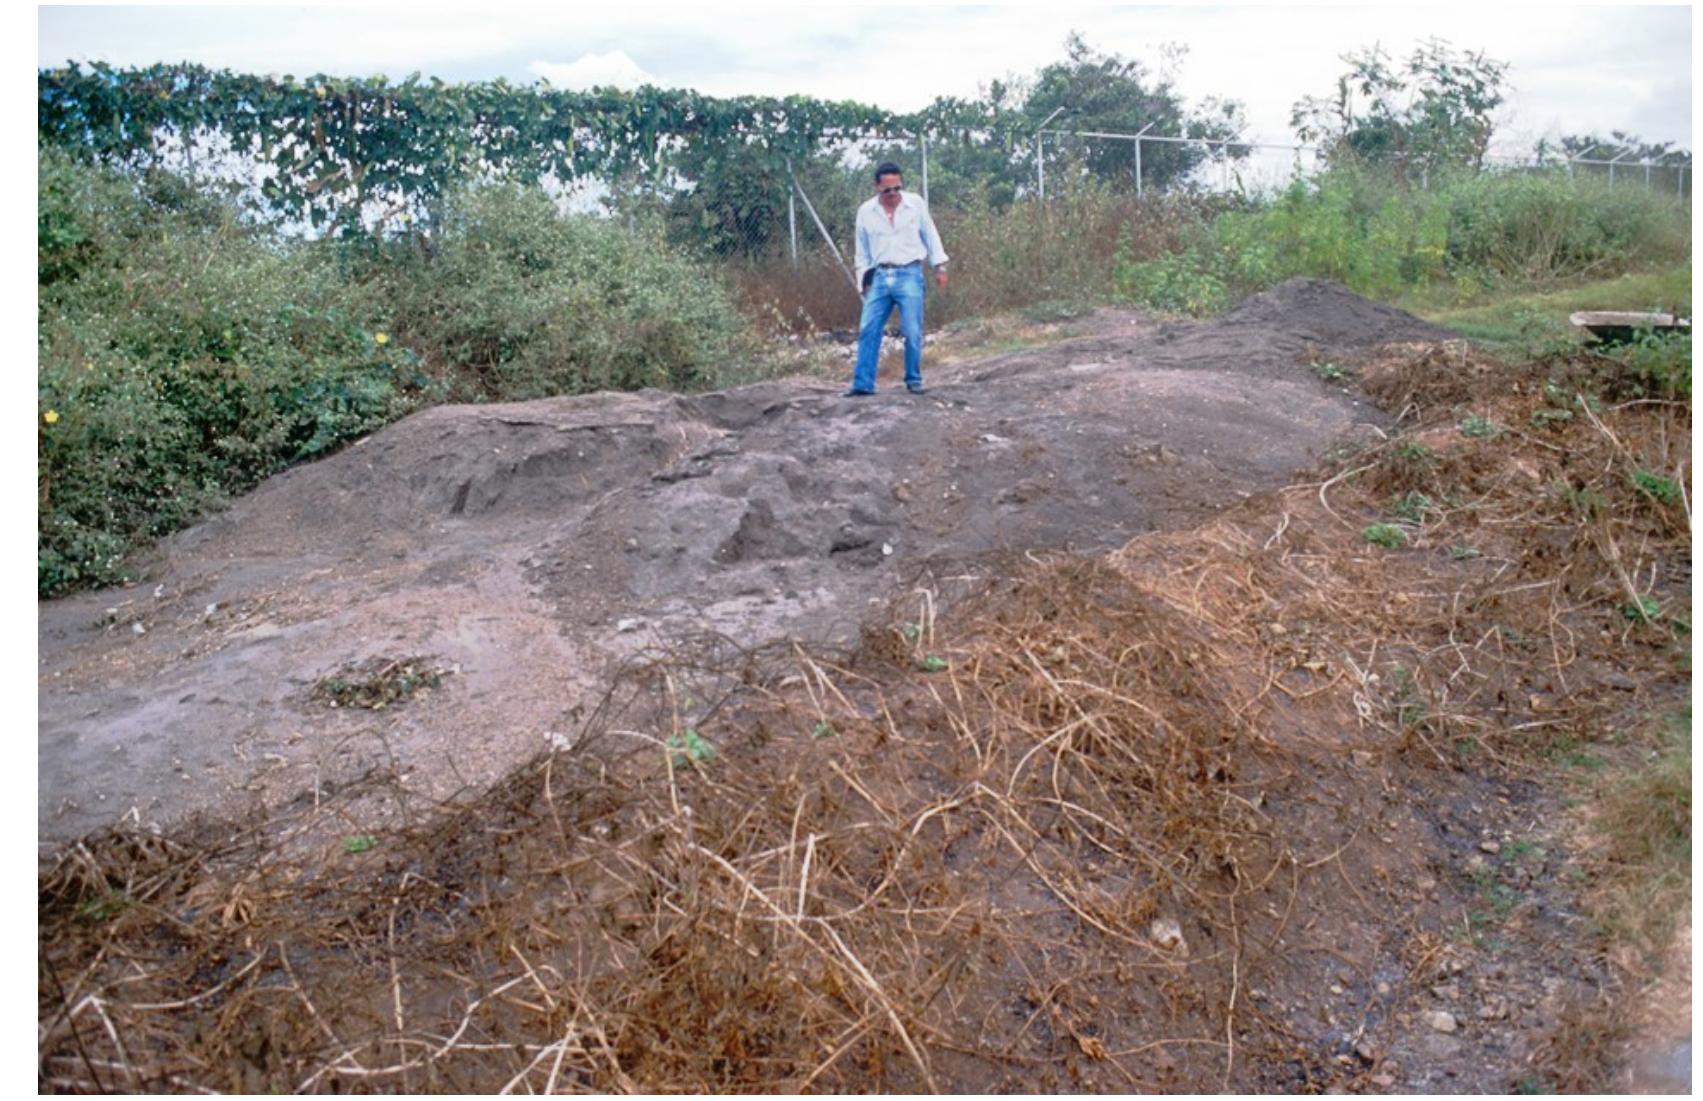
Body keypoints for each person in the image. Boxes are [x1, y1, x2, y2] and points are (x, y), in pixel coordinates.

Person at [847, 162, 949, 396]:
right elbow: (861, 251)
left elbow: (930, 235)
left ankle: (914, 379)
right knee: (868, 328)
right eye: (887, 190)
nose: (892, 194)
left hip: (910, 274)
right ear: (877, 187)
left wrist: (939, 266)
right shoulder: (866, 212)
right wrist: (862, 281)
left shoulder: (915, 205)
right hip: (880, 276)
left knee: (912, 330)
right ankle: (862, 384)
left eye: (896, 188)